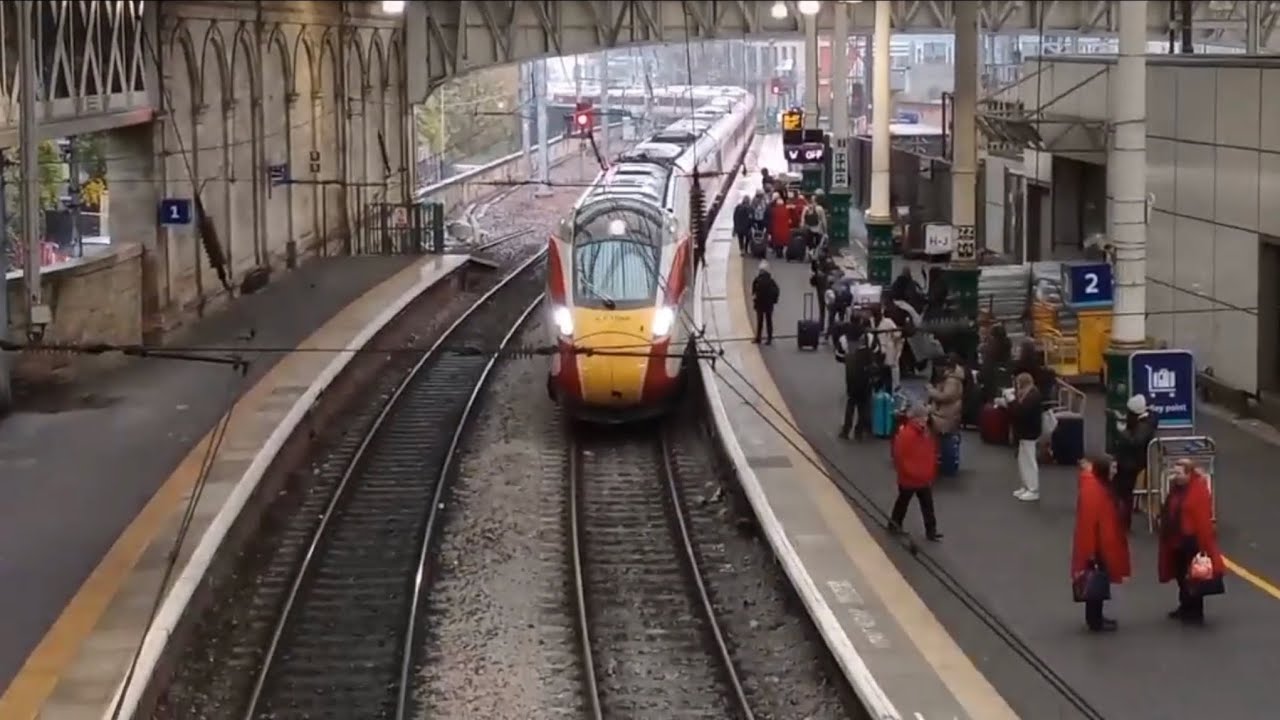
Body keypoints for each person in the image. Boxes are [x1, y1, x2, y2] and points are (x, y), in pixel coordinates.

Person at [1158, 459, 1224, 624]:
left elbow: (1202, 520)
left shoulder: (1197, 491)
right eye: (1175, 472)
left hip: (1191, 540)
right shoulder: (1177, 489)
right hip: (1177, 539)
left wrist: (1204, 545)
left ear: (1189, 474)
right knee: (1181, 575)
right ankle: (1185, 605)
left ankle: (1195, 609)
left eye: (1180, 473)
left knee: (1194, 575)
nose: (1176, 476)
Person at [1071, 456, 1131, 632]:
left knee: (1096, 580)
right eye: (1112, 468)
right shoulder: (1096, 490)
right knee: (1097, 580)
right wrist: (1091, 550)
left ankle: (1095, 618)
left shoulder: (1095, 487)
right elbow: (1091, 522)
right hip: (1099, 544)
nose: (1115, 471)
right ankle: (1095, 620)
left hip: (1100, 542)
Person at [889, 404, 942, 541]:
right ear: (916, 418)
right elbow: (900, 456)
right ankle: (896, 524)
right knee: (906, 502)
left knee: (922, 504)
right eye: (923, 416)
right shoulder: (910, 434)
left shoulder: (922, 432)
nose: (925, 419)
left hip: (919, 476)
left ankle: (897, 525)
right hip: (911, 477)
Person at [1112, 394, 1157, 531]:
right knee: (1120, 490)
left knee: (1124, 493)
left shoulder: (1144, 425)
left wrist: (1122, 432)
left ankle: (1123, 523)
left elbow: (1135, 441)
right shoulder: (1145, 421)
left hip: (1132, 462)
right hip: (1130, 460)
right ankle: (1120, 520)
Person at [837, 324, 877, 440]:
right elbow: (877, 352)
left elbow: (839, 356)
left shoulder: (844, 340)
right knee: (863, 404)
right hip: (865, 377)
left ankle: (846, 431)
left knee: (851, 403)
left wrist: (848, 361)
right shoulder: (869, 338)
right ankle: (859, 430)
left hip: (851, 377)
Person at [1008, 371, 1043, 501]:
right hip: (1025, 432)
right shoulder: (1030, 394)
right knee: (1023, 460)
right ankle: (1026, 486)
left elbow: (1020, 412)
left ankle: (1033, 489)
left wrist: (1011, 401)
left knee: (1029, 461)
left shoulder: (1032, 396)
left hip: (1029, 432)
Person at [927, 356, 965, 436]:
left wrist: (931, 391)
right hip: (945, 414)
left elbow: (946, 396)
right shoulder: (949, 378)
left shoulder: (952, 380)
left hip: (945, 416)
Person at [750, 261, 780, 345]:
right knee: (769, 321)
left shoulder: (757, 280)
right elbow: (776, 291)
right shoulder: (771, 281)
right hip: (768, 304)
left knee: (760, 321)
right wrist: (774, 300)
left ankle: (758, 338)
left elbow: (753, 292)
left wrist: (755, 300)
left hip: (759, 304)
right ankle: (769, 338)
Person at [875, 304, 903, 391]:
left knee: (891, 369)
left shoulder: (888, 322)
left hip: (888, 349)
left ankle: (895, 387)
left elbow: (898, 334)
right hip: (876, 350)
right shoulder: (871, 322)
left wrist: (892, 338)